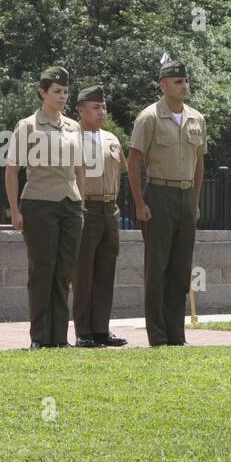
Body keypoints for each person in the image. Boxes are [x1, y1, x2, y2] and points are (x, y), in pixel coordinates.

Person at [126, 60, 207, 347]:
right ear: (163, 85)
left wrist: (195, 201)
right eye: (177, 82)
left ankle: (176, 335)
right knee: (157, 268)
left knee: (181, 269)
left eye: (185, 81)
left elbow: (199, 162)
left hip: (185, 197)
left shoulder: (196, 118)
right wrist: (139, 202)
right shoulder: (149, 117)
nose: (184, 86)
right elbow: (133, 161)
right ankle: (158, 336)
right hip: (159, 194)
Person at [5, 66, 86, 349]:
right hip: (39, 203)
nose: (63, 96)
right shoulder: (27, 126)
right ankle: (40, 338)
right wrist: (15, 210)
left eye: (65, 92)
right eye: (57, 92)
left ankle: (60, 338)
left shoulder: (74, 127)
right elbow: (12, 170)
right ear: (43, 93)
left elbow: (80, 169)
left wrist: (81, 203)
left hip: (70, 204)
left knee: (64, 272)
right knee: (42, 271)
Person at [72, 85, 127, 348]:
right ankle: (84, 330)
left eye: (103, 106)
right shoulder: (71, 137)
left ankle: (101, 329)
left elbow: (121, 172)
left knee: (106, 272)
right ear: (81, 110)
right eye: (95, 107)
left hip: (109, 209)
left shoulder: (112, 139)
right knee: (84, 273)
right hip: (86, 208)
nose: (101, 111)